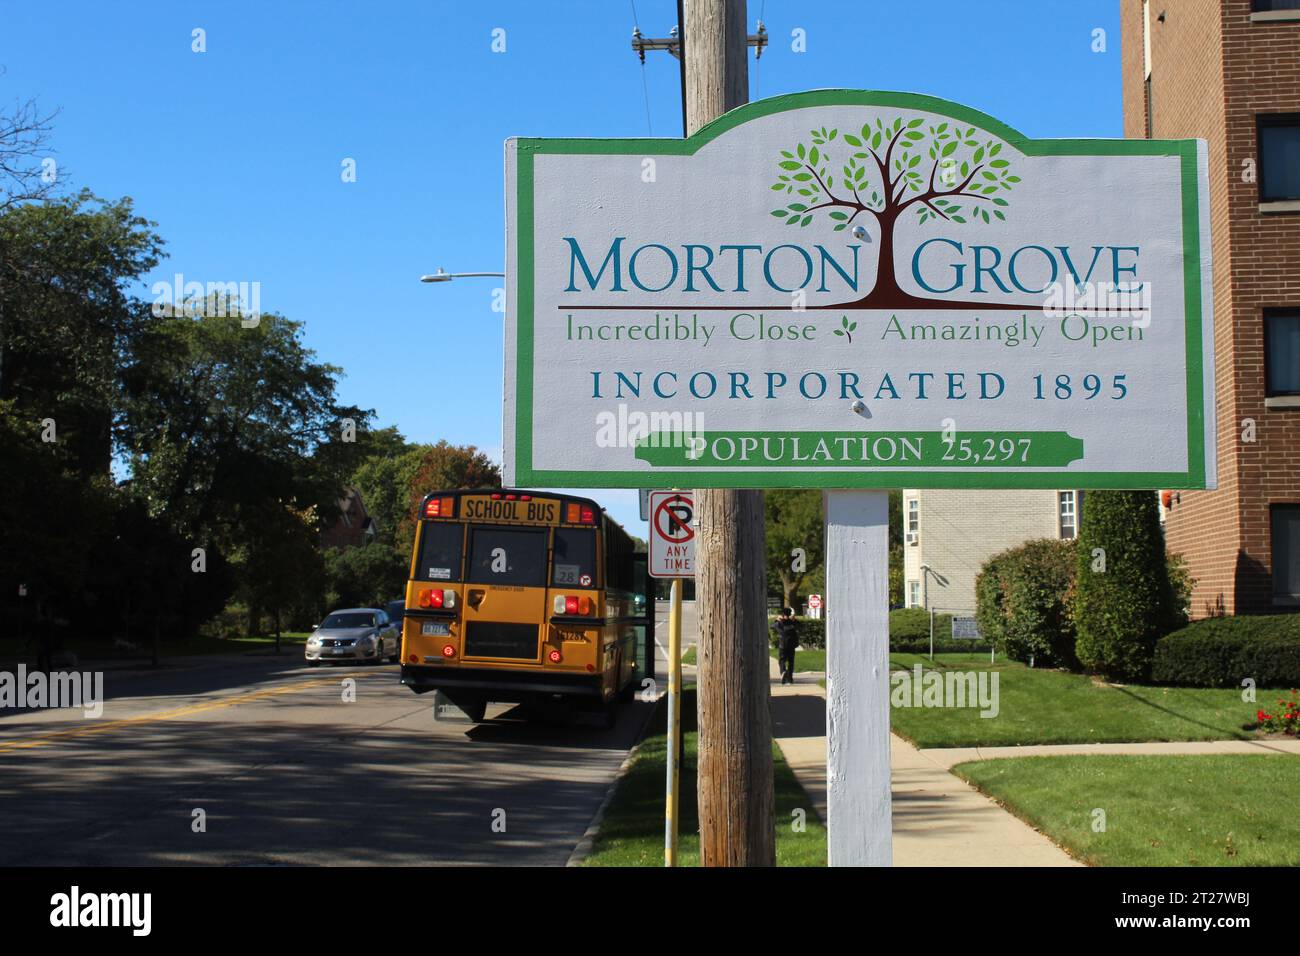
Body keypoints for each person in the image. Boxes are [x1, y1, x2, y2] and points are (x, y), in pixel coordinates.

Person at [773, 607, 799, 685]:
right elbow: (800, 626)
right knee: (791, 662)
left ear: (783, 614)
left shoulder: (780, 623)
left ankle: (783, 671)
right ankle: (790, 679)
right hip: (791, 646)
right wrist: (794, 619)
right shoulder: (792, 622)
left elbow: (773, 626)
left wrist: (777, 619)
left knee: (782, 660)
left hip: (782, 645)